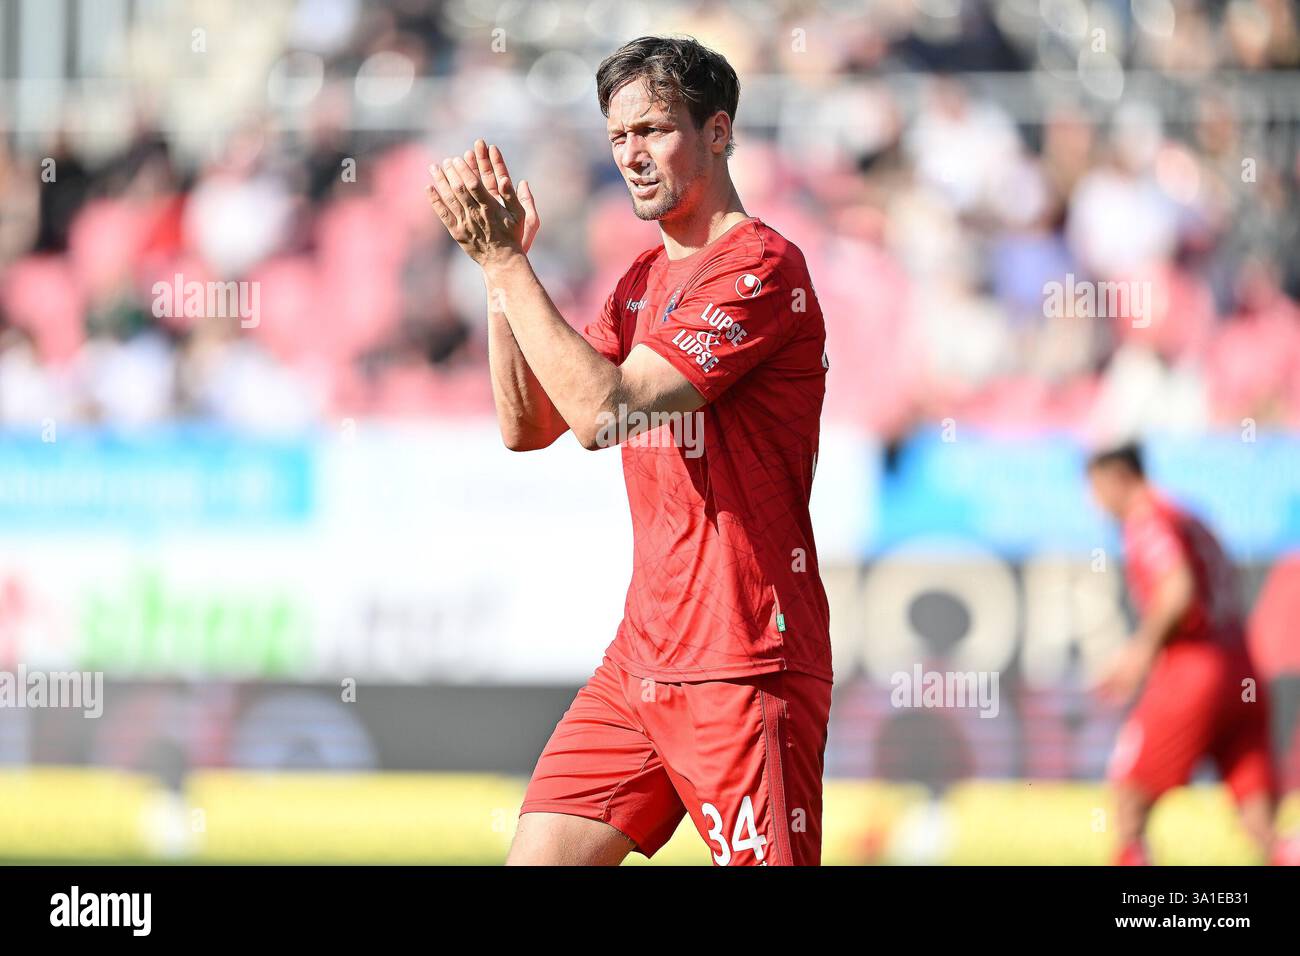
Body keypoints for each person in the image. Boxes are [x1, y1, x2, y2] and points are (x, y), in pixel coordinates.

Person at [426, 35, 832, 865]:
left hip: (742, 660)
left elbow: (602, 410)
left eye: (652, 130)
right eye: (618, 138)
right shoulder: (641, 281)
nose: (632, 156)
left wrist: (507, 261)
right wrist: (504, 278)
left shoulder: (757, 267)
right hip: (641, 659)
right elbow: (528, 425)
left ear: (719, 131)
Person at [1087, 442, 1293, 865]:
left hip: (1193, 671)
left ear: (1117, 478)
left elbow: (1177, 588)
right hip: (1242, 669)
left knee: (1129, 799)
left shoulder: (1147, 519)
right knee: (1259, 821)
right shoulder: (1192, 517)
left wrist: (1140, 650)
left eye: (1095, 489)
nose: (1095, 503)